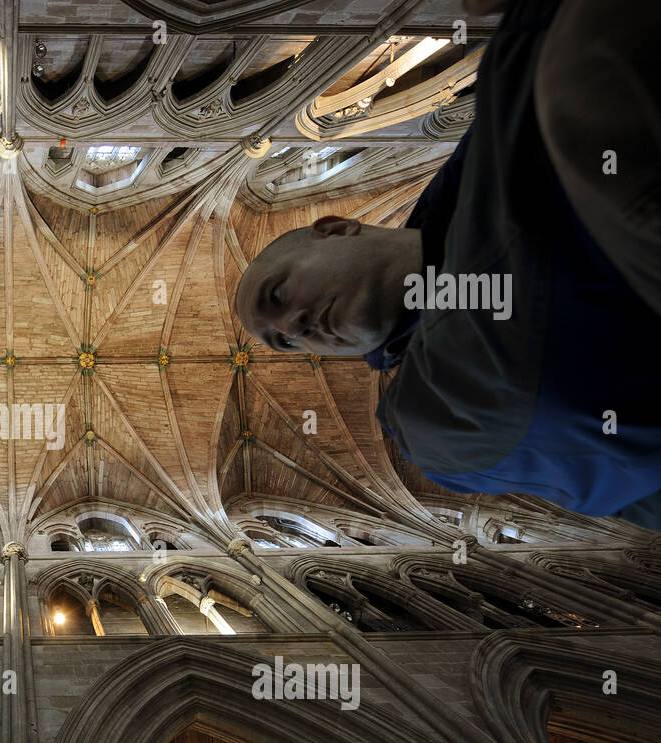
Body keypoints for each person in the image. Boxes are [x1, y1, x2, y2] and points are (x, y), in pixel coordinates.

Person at [234, 0, 661, 528]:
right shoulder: (431, 424)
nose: (294, 327)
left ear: (336, 228)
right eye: (287, 342)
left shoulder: (479, 167)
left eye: (276, 296)